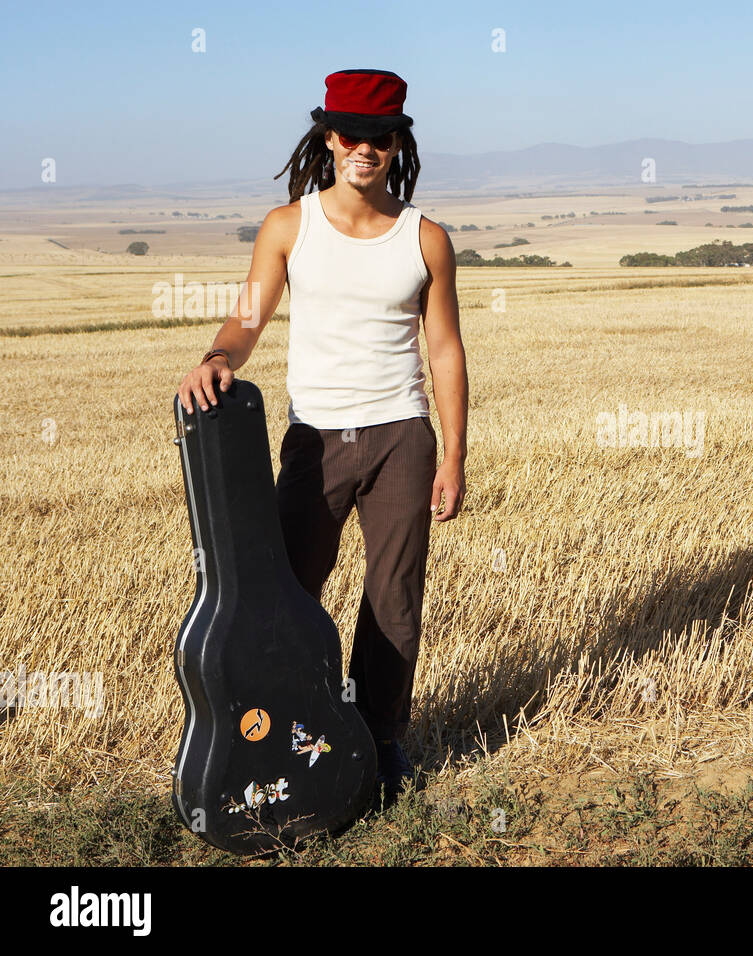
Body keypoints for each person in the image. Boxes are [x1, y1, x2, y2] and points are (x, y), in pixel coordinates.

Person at [176, 69, 467, 800]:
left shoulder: (426, 238)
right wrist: (217, 358)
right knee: (284, 591)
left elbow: (445, 351)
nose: (363, 148)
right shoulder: (287, 226)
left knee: (394, 596)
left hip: (403, 432)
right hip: (314, 440)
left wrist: (454, 454)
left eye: (379, 136)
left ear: (398, 143)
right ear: (329, 137)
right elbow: (247, 317)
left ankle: (381, 742)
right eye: (350, 133)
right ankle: (280, 728)